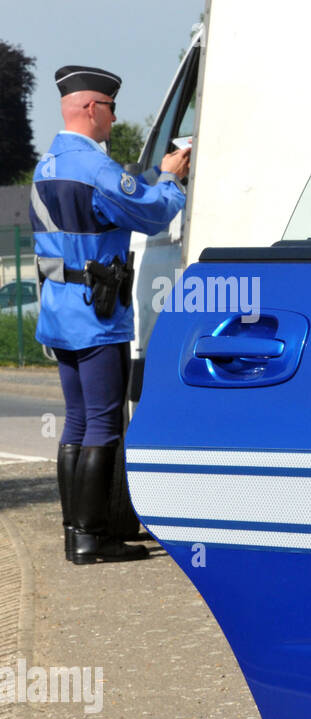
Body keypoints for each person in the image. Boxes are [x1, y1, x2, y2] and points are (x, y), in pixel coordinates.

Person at [29, 65, 190, 565]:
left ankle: (73, 532)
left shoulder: (46, 165)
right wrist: (170, 177)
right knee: (103, 424)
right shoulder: (94, 168)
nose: (115, 119)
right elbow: (151, 213)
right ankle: (93, 540)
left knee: (76, 423)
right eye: (112, 109)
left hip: (59, 312)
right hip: (97, 315)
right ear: (93, 108)